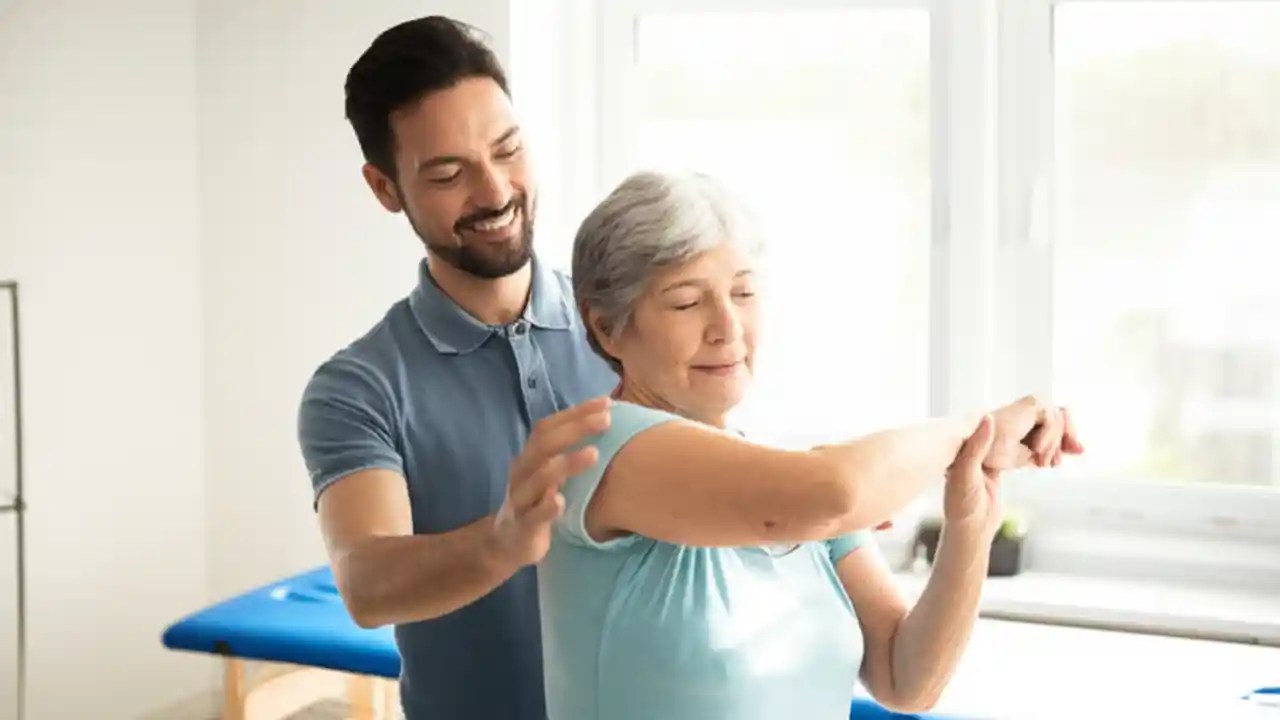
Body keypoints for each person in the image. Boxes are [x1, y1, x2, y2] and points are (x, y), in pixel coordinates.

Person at [537, 170, 1084, 720]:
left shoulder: (790, 486)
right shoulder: (599, 451)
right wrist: (975, 432)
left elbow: (906, 677)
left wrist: (971, 522)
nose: (728, 327)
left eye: (744, 293)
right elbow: (837, 492)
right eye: (686, 303)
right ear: (607, 328)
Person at [295, 16, 618, 720]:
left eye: (509, 151)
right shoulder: (358, 388)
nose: (496, 190)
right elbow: (367, 582)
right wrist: (504, 540)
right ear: (385, 188)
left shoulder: (624, 322)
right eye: (448, 173)